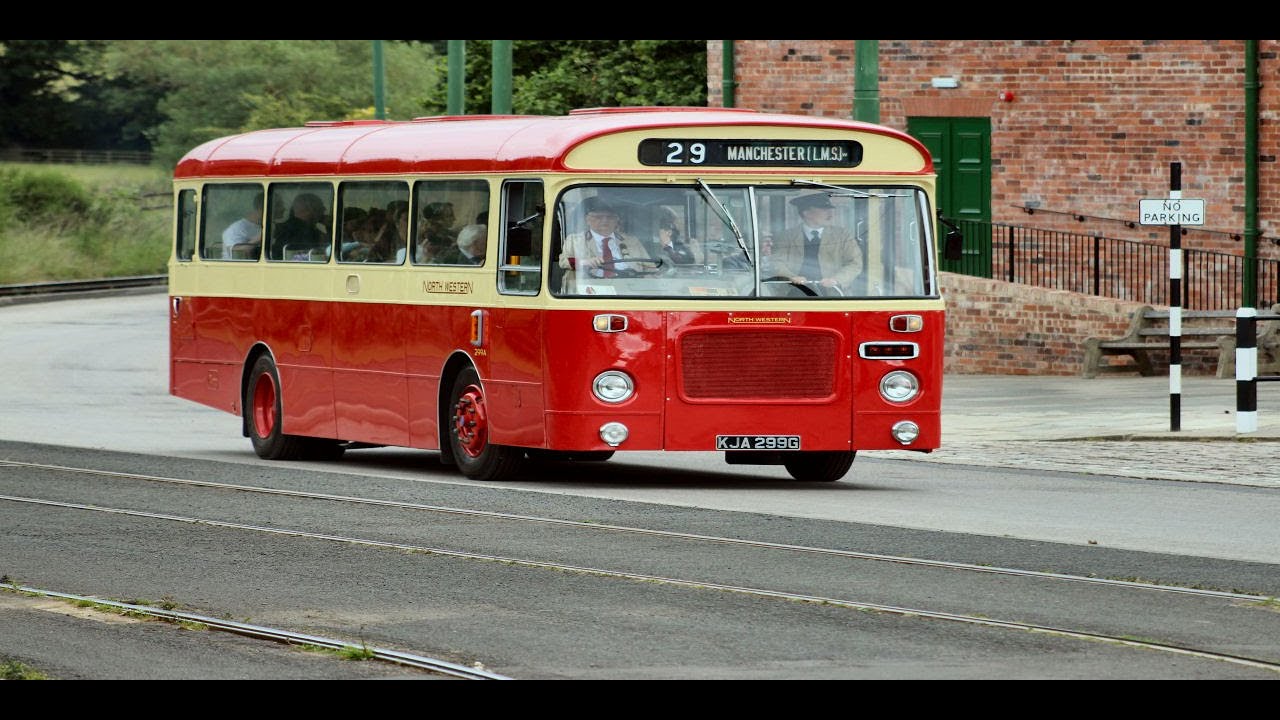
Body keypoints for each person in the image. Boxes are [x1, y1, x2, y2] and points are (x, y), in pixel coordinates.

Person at [769, 192, 863, 291]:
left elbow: (854, 263)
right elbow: (776, 262)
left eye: (830, 210)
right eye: (824, 209)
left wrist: (836, 280)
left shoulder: (843, 235)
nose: (830, 214)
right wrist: (791, 277)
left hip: (833, 294)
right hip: (794, 292)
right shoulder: (786, 236)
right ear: (807, 213)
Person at [557, 197, 652, 289]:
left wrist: (646, 287)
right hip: (591, 292)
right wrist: (584, 262)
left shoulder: (632, 241)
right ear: (588, 220)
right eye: (598, 217)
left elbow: (651, 268)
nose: (605, 220)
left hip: (631, 290)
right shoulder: (575, 240)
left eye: (610, 217)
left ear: (616, 220)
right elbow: (563, 262)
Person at [273, 192, 329, 258]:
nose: (324, 210)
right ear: (309, 211)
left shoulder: (283, 228)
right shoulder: (306, 232)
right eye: (321, 208)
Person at [221, 191, 263, 259]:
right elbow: (236, 254)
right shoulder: (236, 230)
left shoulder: (268, 226)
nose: (283, 209)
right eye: (278, 205)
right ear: (261, 208)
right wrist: (259, 238)